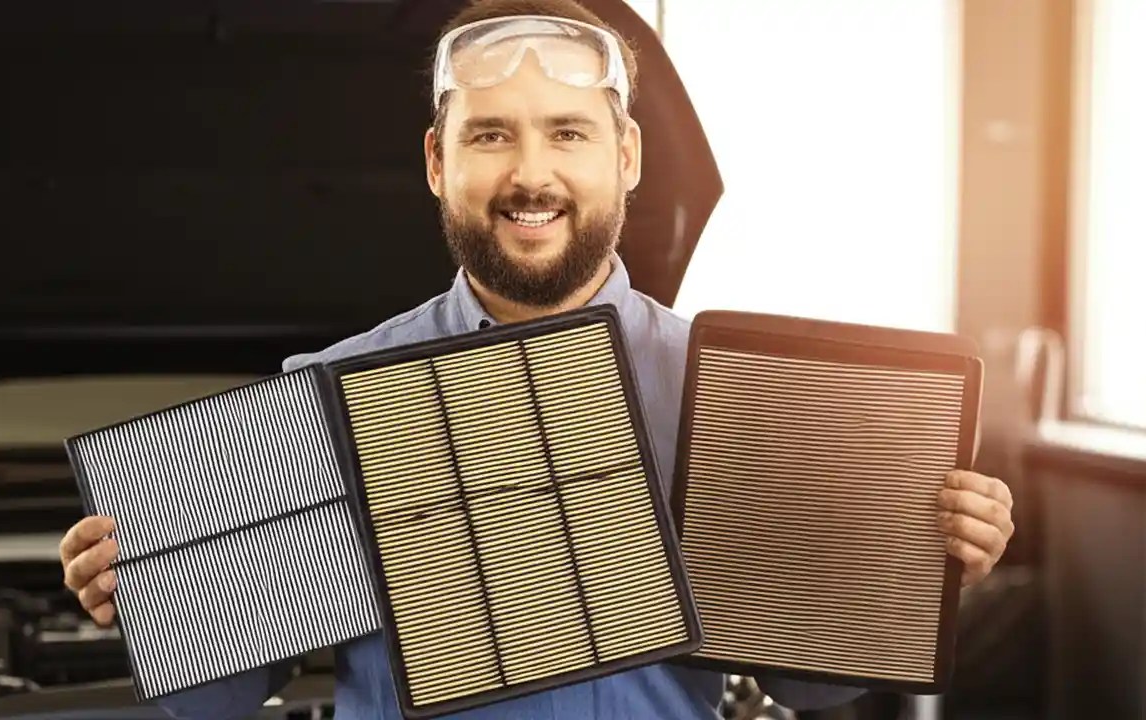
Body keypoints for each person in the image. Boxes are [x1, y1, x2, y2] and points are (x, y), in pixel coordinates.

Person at [59, 1, 1017, 718]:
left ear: (627, 155)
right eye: (490, 136)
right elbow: (217, 702)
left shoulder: (733, 390)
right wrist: (145, 598)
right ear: (439, 161)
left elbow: (811, 691)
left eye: (568, 133)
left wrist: (915, 566)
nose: (530, 174)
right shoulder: (325, 394)